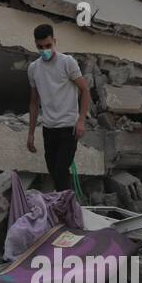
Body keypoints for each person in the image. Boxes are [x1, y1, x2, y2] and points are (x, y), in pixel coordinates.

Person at [25, 24, 90, 192]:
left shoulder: (67, 62)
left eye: (48, 46)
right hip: (49, 128)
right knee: (54, 171)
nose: (44, 50)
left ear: (54, 41)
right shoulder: (33, 69)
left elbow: (84, 89)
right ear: (35, 45)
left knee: (61, 170)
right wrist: (31, 133)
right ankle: (66, 204)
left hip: (69, 127)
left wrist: (81, 120)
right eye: (40, 47)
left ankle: (65, 209)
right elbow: (34, 102)